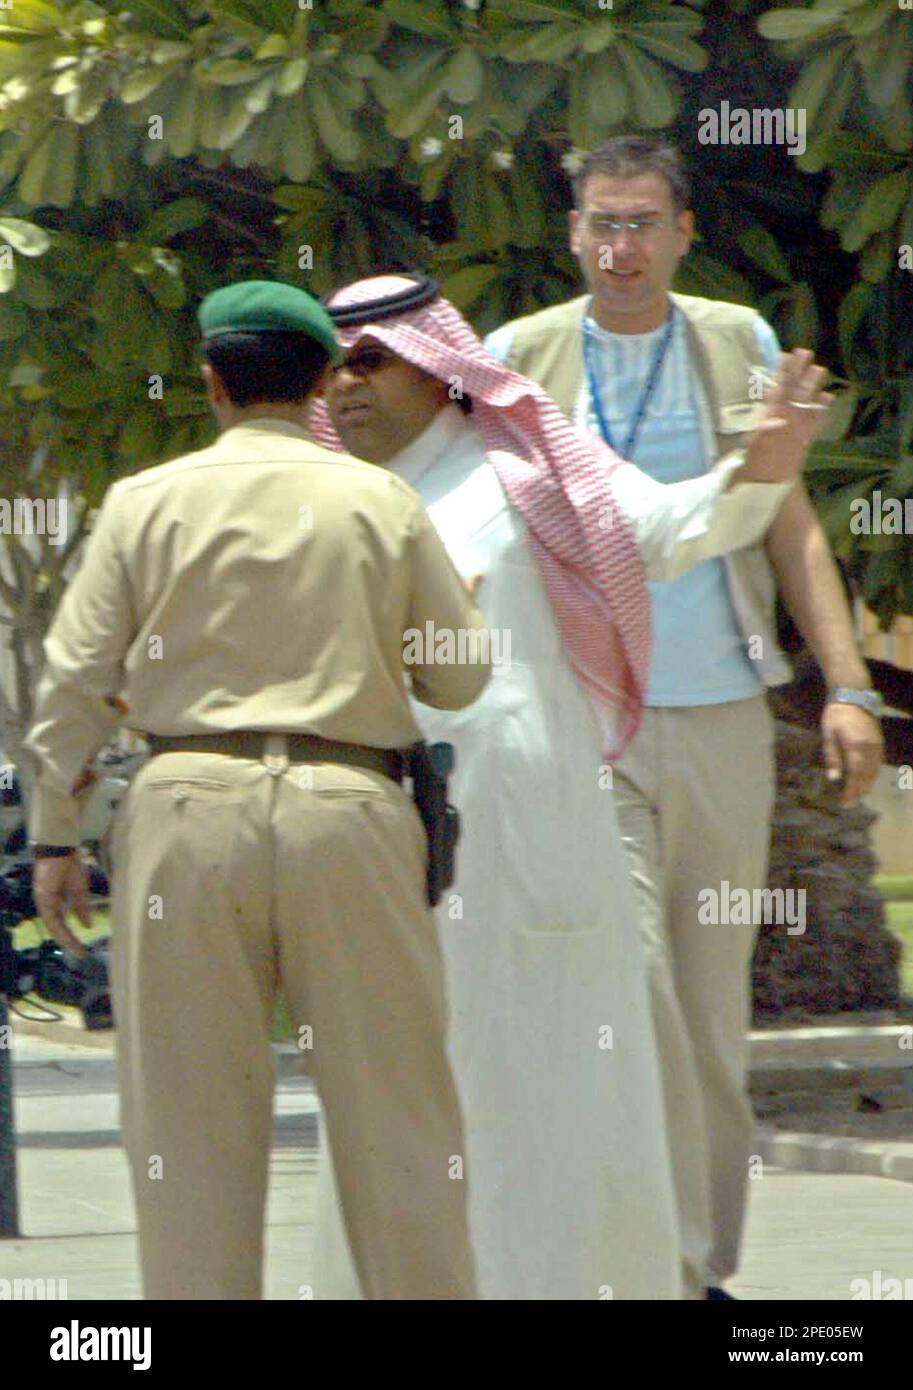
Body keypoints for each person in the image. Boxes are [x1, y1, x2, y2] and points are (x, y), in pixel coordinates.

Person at [307, 272, 832, 1300]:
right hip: (375, 832)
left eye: (373, 359)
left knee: (552, 1075)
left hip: (529, 822)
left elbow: (671, 528)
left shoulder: (525, 467)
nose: (347, 384)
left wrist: (757, 469)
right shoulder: (330, 491)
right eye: (333, 364)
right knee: (396, 1082)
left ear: (441, 368)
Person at [23, 279, 492, 1300]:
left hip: (186, 807)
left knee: (188, 1129)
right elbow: (458, 675)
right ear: (322, 380)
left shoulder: (146, 504)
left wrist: (56, 836)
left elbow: (74, 683)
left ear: (211, 381)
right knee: (398, 1121)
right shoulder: (381, 501)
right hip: (352, 807)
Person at [485, 134, 885, 1299]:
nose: (620, 248)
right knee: (637, 987)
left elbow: (786, 520)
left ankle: (699, 1268)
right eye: (600, 224)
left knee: (708, 1018)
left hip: (720, 716)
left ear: (681, 232)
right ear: (572, 235)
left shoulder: (735, 342)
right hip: (584, 722)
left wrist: (847, 685)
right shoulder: (523, 356)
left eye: (641, 224)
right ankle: (633, 1257)